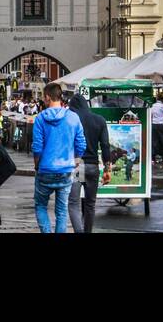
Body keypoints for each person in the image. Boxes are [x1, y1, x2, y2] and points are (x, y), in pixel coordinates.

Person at [29, 82, 85, 234]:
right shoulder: (73, 118)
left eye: (43, 97)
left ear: (47, 97)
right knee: (61, 211)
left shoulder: (40, 119)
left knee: (40, 206)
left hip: (45, 169)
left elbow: (37, 147)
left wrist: (37, 165)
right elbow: (81, 144)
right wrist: (76, 160)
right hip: (66, 170)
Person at [66, 91, 112, 233]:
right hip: (93, 166)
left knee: (73, 203)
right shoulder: (99, 120)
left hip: (78, 165)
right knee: (90, 205)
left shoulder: (71, 120)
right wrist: (107, 169)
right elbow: (105, 145)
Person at [149, 94, 163, 164]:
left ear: (157, 98)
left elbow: (150, 115)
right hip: (162, 124)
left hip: (154, 124)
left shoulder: (152, 106)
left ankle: (153, 158)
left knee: (154, 141)